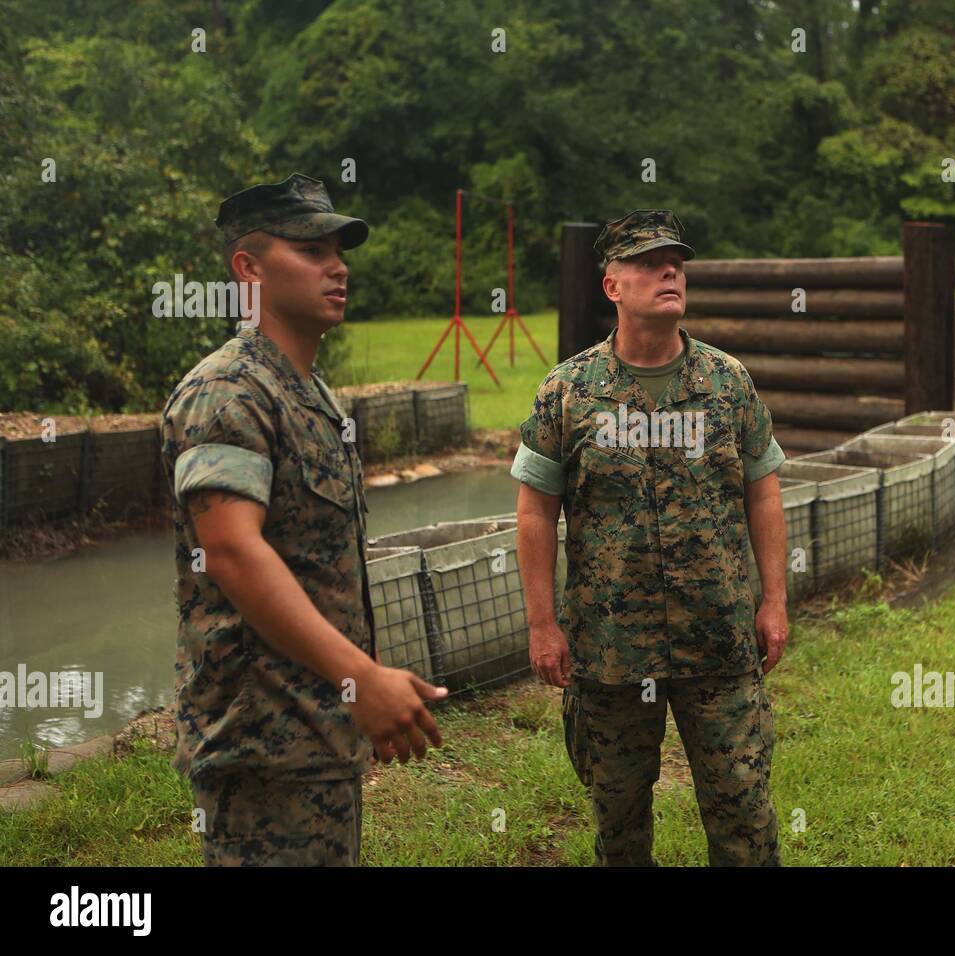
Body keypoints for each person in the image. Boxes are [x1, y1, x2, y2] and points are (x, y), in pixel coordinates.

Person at [160, 173, 446, 866]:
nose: (337, 267)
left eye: (339, 252)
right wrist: (362, 677)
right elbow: (231, 551)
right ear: (249, 269)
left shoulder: (309, 393)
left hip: (316, 736)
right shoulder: (228, 392)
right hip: (259, 744)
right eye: (312, 250)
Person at [512, 208, 788, 866]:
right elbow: (534, 512)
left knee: (743, 810)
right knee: (620, 820)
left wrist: (775, 599)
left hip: (718, 640)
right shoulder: (568, 391)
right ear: (612, 286)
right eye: (649, 263)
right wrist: (542, 624)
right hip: (611, 650)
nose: (670, 273)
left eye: (676, 263)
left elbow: (764, 490)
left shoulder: (727, 382)